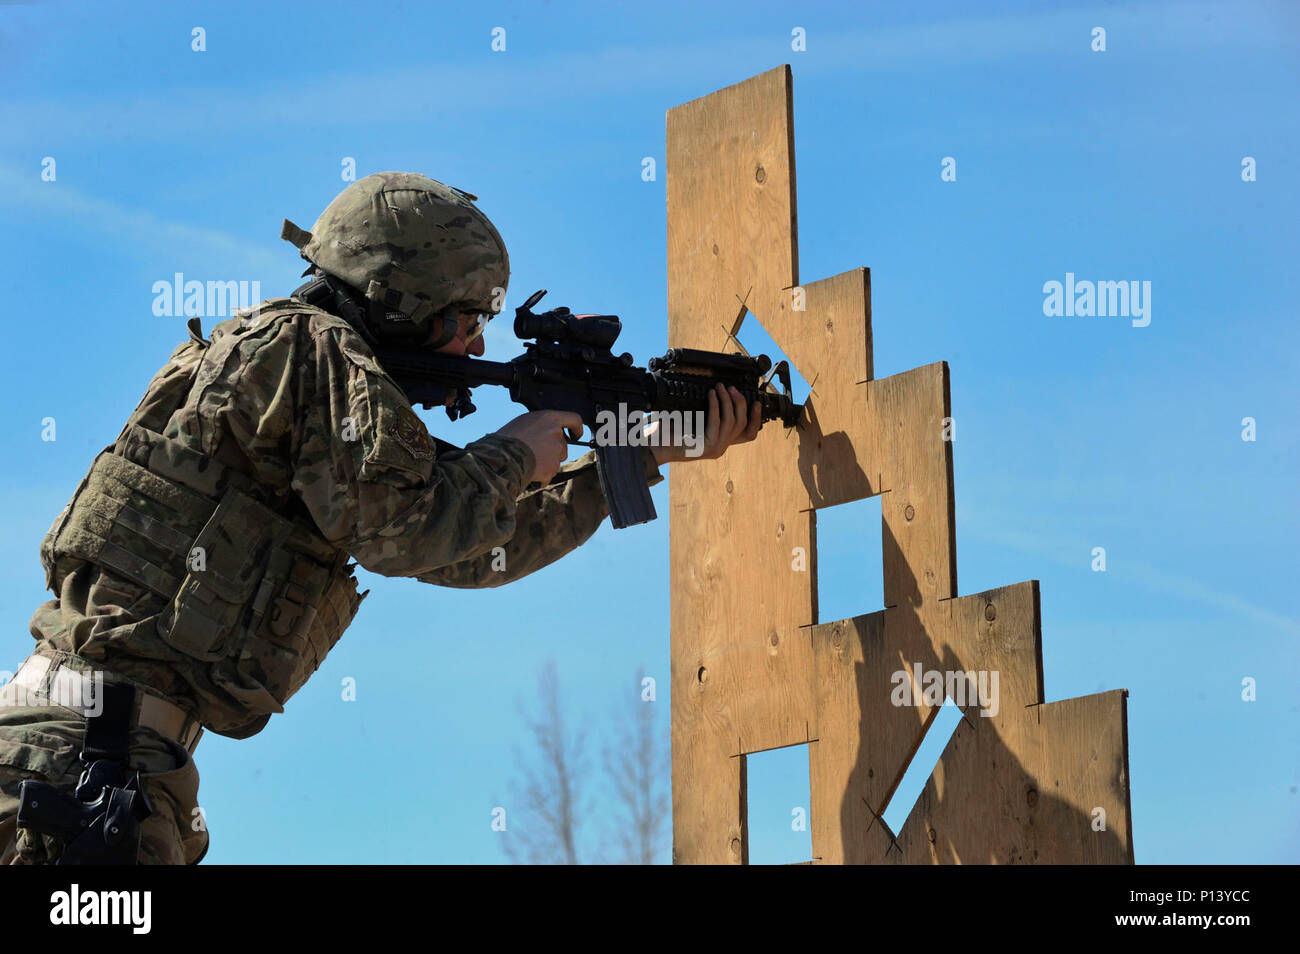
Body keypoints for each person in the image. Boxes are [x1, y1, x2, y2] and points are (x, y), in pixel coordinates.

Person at [0, 171, 761, 864]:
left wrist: (633, 458)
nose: (477, 344)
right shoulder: (305, 350)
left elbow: (467, 552)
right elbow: (418, 530)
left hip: (95, 761)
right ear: (401, 298)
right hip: (82, 770)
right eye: (465, 318)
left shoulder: (305, 373)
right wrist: (513, 452)